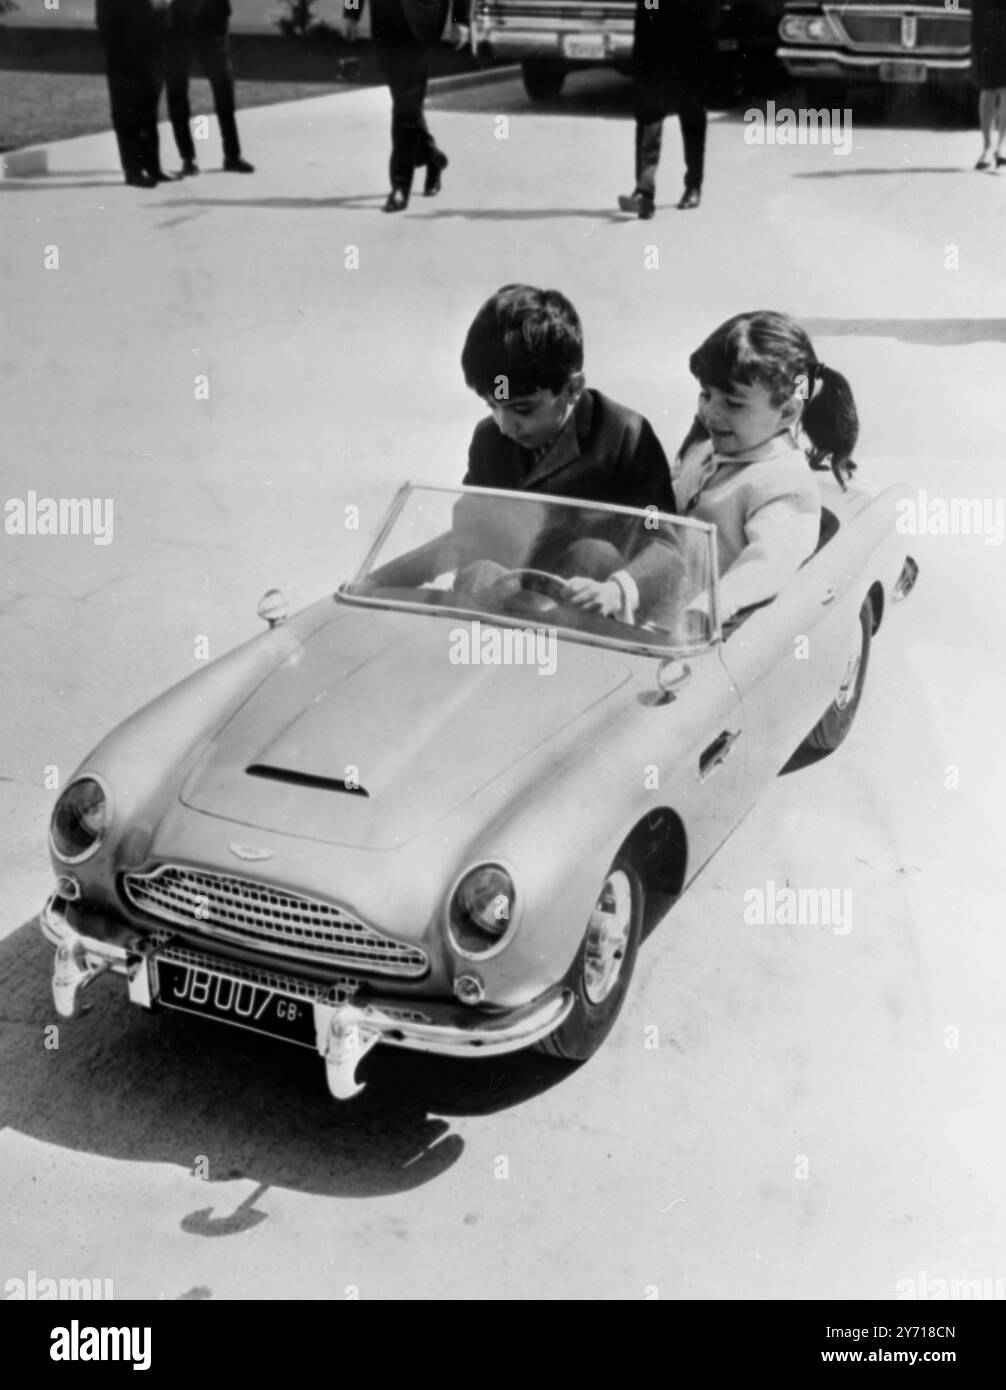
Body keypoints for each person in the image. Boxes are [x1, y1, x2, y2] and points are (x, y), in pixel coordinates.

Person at [457, 284, 679, 621]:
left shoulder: (624, 434)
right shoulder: (490, 439)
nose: (505, 426)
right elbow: (470, 533)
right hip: (508, 603)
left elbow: (662, 544)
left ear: (572, 388)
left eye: (523, 409)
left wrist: (617, 589)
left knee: (593, 554)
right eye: (492, 406)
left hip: (586, 613)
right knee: (480, 571)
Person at [672, 311, 859, 624]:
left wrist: (711, 608)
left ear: (786, 412)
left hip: (713, 632)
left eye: (733, 403)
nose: (709, 412)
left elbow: (769, 564)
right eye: (706, 394)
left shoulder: (786, 486)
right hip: (661, 611)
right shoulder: (707, 451)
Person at [344, 0, 464, 211]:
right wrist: (351, 13)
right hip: (385, 23)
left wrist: (460, 20)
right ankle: (431, 155)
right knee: (403, 100)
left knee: (406, 105)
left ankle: (400, 186)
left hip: (422, 22)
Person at [618, 0, 722, 218]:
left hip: (693, 40)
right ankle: (644, 192)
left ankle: (693, 185)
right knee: (649, 111)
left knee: (691, 109)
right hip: (655, 41)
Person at [165, 0, 254, 176]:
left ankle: (231, 155)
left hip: (210, 23)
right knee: (177, 89)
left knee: (223, 88)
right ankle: (188, 158)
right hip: (182, 25)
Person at [96, 0, 171, 187]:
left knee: (149, 107)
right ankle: (133, 170)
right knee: (126, 109)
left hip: (151, 46)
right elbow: (106, 21)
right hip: (124, 52)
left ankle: (152, 166)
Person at [971, 0, 1006, 169]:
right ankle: (987, 147)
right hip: (984, 38)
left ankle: (1001, 147)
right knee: (988, 91)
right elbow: (951, 3)